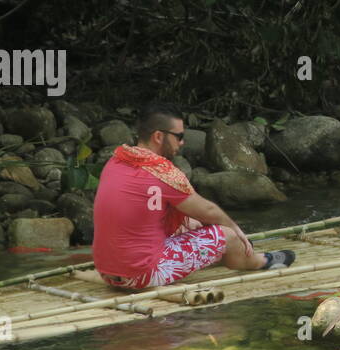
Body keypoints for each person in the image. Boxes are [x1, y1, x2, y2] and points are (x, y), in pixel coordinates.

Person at [93, 102, 294, 290]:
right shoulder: (161, 172)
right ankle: (257, 260)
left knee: (192, 222)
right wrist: (238, 233)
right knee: (228, 236)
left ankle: (225, 254)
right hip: (140, 275)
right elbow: (208, 210)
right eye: (178, 136)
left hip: (107, 273)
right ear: (158, 137)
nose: (182, 142)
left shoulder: (117, 161)